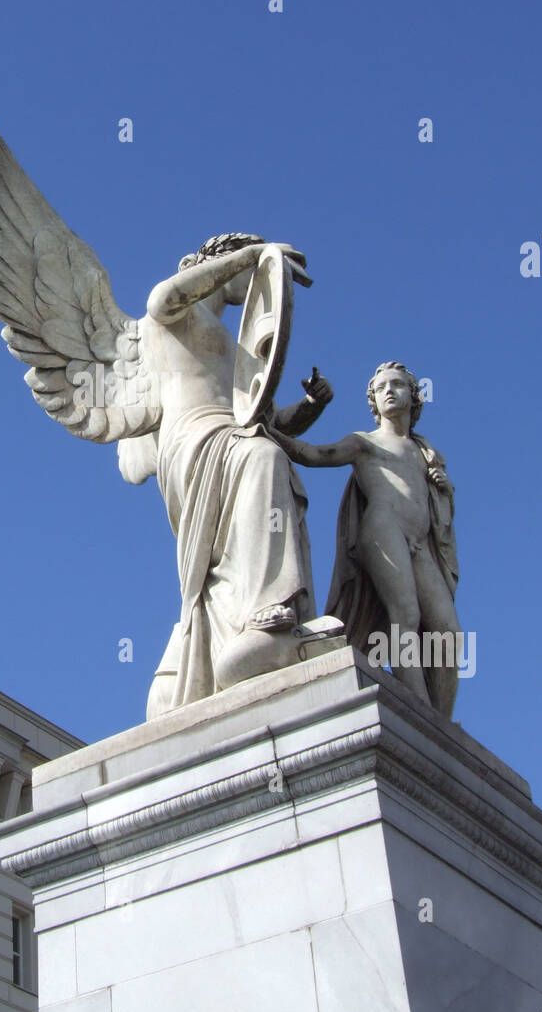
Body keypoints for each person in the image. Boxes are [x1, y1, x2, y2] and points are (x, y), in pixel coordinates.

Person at [130, 233, 336, 717]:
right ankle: (273, 620)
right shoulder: (175, 314)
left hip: (233, 435)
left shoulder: (238, 349)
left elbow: (262, 417)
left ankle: (246, 635)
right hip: (194, 441)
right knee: (264, 459)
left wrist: (310, 406)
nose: (253, 286)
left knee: (265, 463)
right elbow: (161, 299)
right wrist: (255, 255)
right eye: (246, 275)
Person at [280, 362, 460, 717]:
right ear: (374, 403)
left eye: (398, 384)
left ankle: (440, 721)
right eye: (381, 388)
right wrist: (271, 433)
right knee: (405, 615)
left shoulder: (426, 453)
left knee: (448, 633)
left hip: (420, 541)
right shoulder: (364, 444)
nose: (389, 390)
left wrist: (444, 490)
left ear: (414, 395)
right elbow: (318, 454)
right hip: (382, 530)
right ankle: (420, 713)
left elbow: (439, 511)